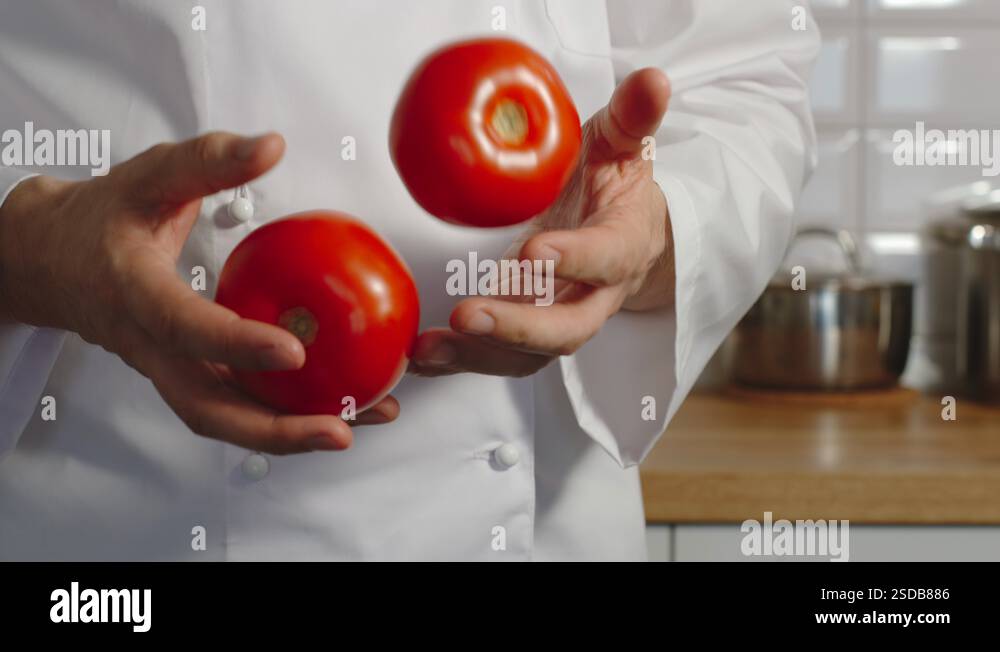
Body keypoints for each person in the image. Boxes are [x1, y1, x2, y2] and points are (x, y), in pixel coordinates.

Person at [0, 0, 818, 561]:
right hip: (112, 513)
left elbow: (745, 77)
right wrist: (30, 248)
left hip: (528, 522)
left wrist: (649, 232)